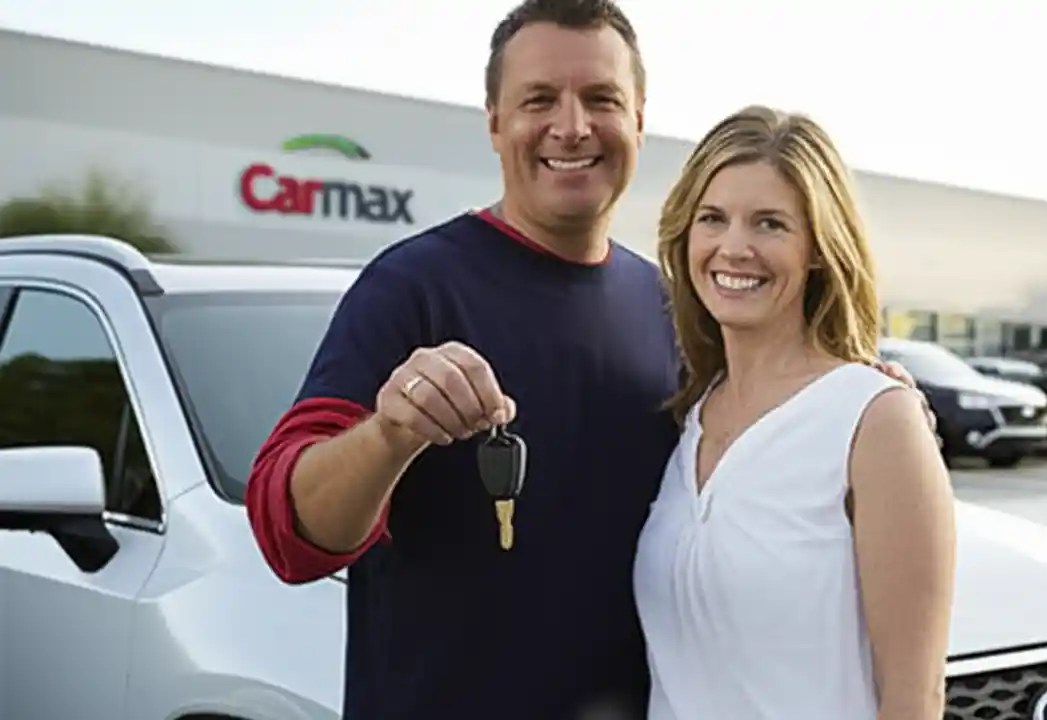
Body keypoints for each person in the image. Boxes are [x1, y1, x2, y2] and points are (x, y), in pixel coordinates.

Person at [244, 1, 932, 718]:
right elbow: (289, 540)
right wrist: (389, 435)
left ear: (637, 120)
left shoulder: (676, 312)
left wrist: (868, 414)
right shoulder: (411, 289)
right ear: (494, 123)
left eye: (600, 99)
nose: (571, 127)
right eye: (538, 99)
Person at [632, 106, 956, 720]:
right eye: (713, 219)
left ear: (816, 249)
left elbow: (914, 699)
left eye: (770, 224)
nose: (735, 247)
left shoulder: (874, 419)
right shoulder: (688, 419)